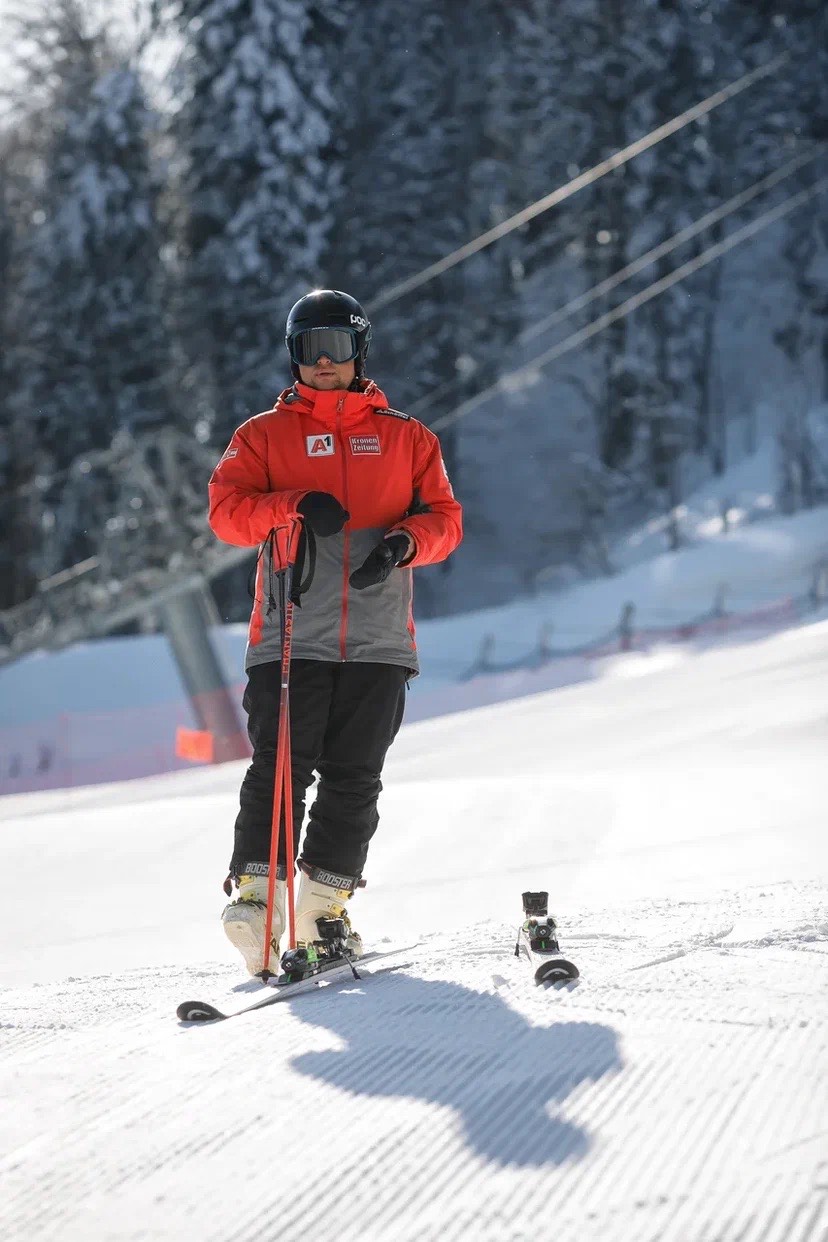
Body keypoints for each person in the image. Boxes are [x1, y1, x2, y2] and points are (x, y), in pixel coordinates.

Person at [208, 289, 463, 975]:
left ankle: (322, 908)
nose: (323, 364)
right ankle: (258, 902)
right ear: (295, 358)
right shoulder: (262, 436)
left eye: (337, 349)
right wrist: (292, 505)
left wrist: (407, 542)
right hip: (292, 632)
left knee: (356, 777)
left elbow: (446, 518)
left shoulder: (409, 436)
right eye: (309, 351)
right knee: (283, 765)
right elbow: (227, 514)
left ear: (359, 351)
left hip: (379, 637)